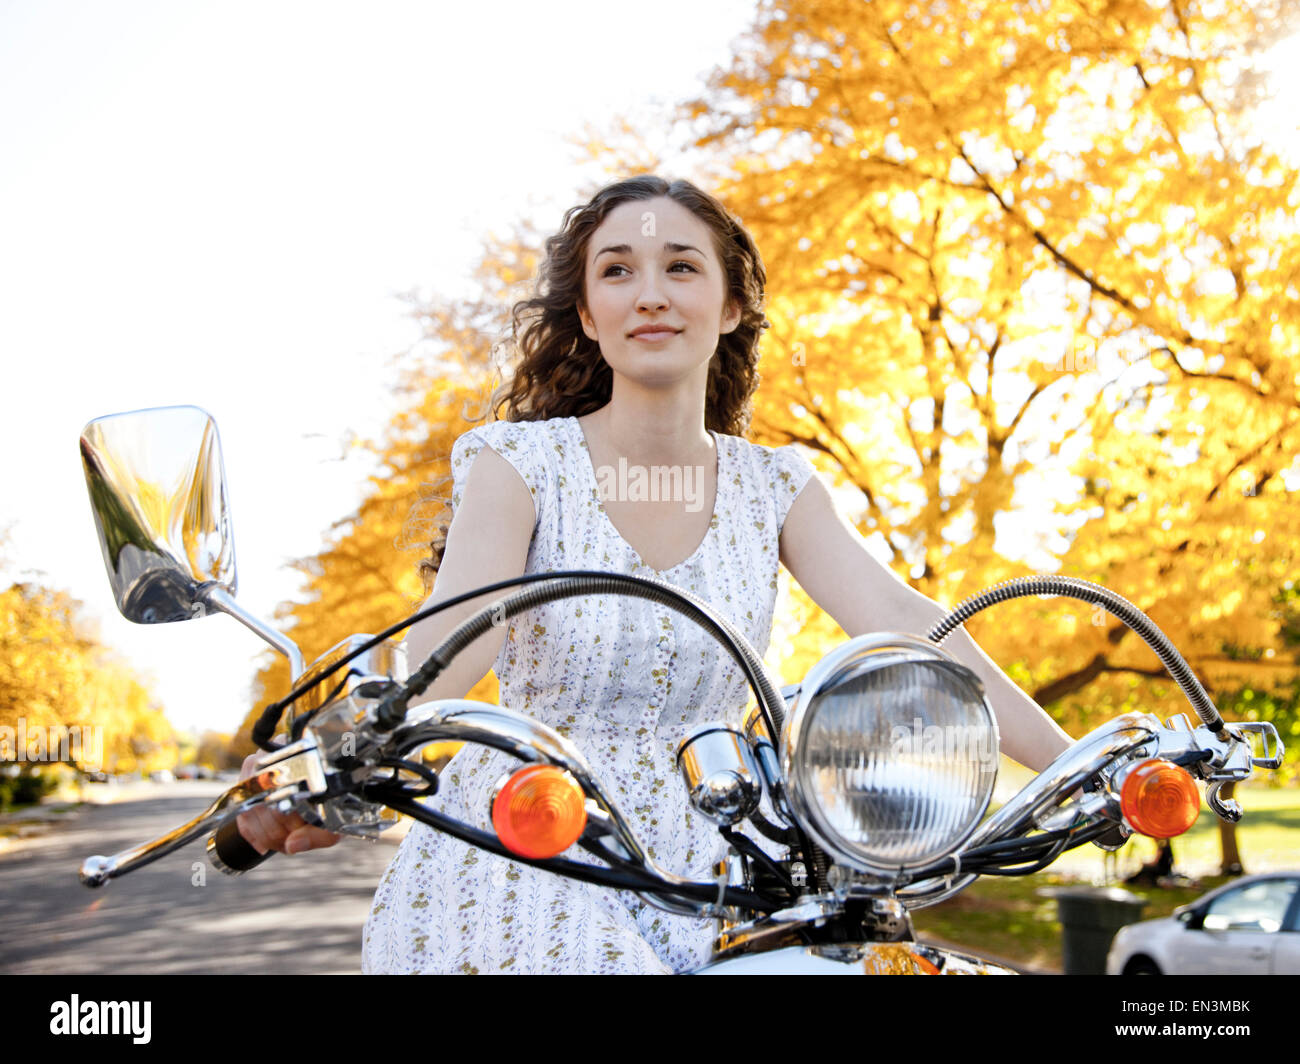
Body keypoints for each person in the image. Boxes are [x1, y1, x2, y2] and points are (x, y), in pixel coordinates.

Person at [235, 174, 1074, 973]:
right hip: (536, 843)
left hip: (729, 856)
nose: (650, 293)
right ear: (590, 316)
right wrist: (321, 761)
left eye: (681, 265)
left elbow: (907, 626)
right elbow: (440, 654)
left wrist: (1083, 764)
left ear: (732, 303)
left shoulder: (774, 486)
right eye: (617, 271)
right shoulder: (522, 465)